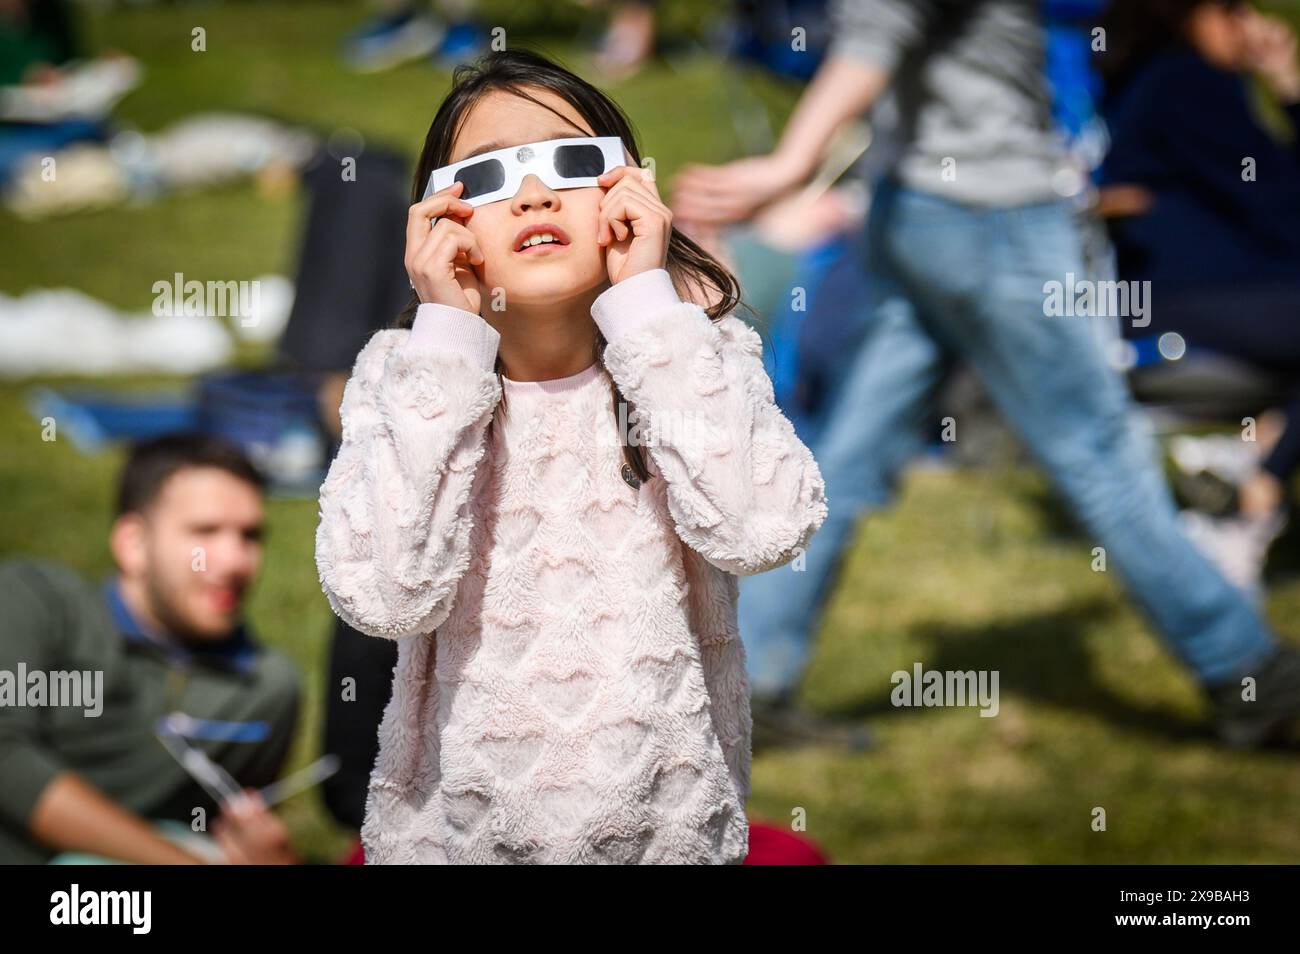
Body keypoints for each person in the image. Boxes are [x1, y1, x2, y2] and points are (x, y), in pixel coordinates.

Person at [670, 0, 1300, 748]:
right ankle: (1247, 672)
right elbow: (881, 27)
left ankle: (752, 685)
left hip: (922, 212)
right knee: (1099, 450)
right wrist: (792, 161)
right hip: (990, 216)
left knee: (848, 455)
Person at [314, 49, 827, 864]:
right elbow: (382, 596)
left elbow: (763, 530)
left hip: (670, 841)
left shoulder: (692, 357)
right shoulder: (404, 378)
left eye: (572, 163)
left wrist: (649, 312)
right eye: (486, 177)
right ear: (439, 224)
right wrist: (446, 341)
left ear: (630, 194)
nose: (533, 193)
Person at [0, 434, 302, 864]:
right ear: (133, 544)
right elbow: (5, 756)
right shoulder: (35, 602)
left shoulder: (265, 690)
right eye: (206, 531)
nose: (236, 561)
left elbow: (225, 827)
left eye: (251, 536)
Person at [1097, 0, 1300, 590]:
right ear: (1193, 16)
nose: (1254, 25)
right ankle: (1253, 495)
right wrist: (1289, 86)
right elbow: (1286, 207)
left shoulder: (1155, 84)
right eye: (1235, 8)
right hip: (1185, 303)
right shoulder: (1188, 83)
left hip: (1192, 298)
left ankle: (1253, 461)